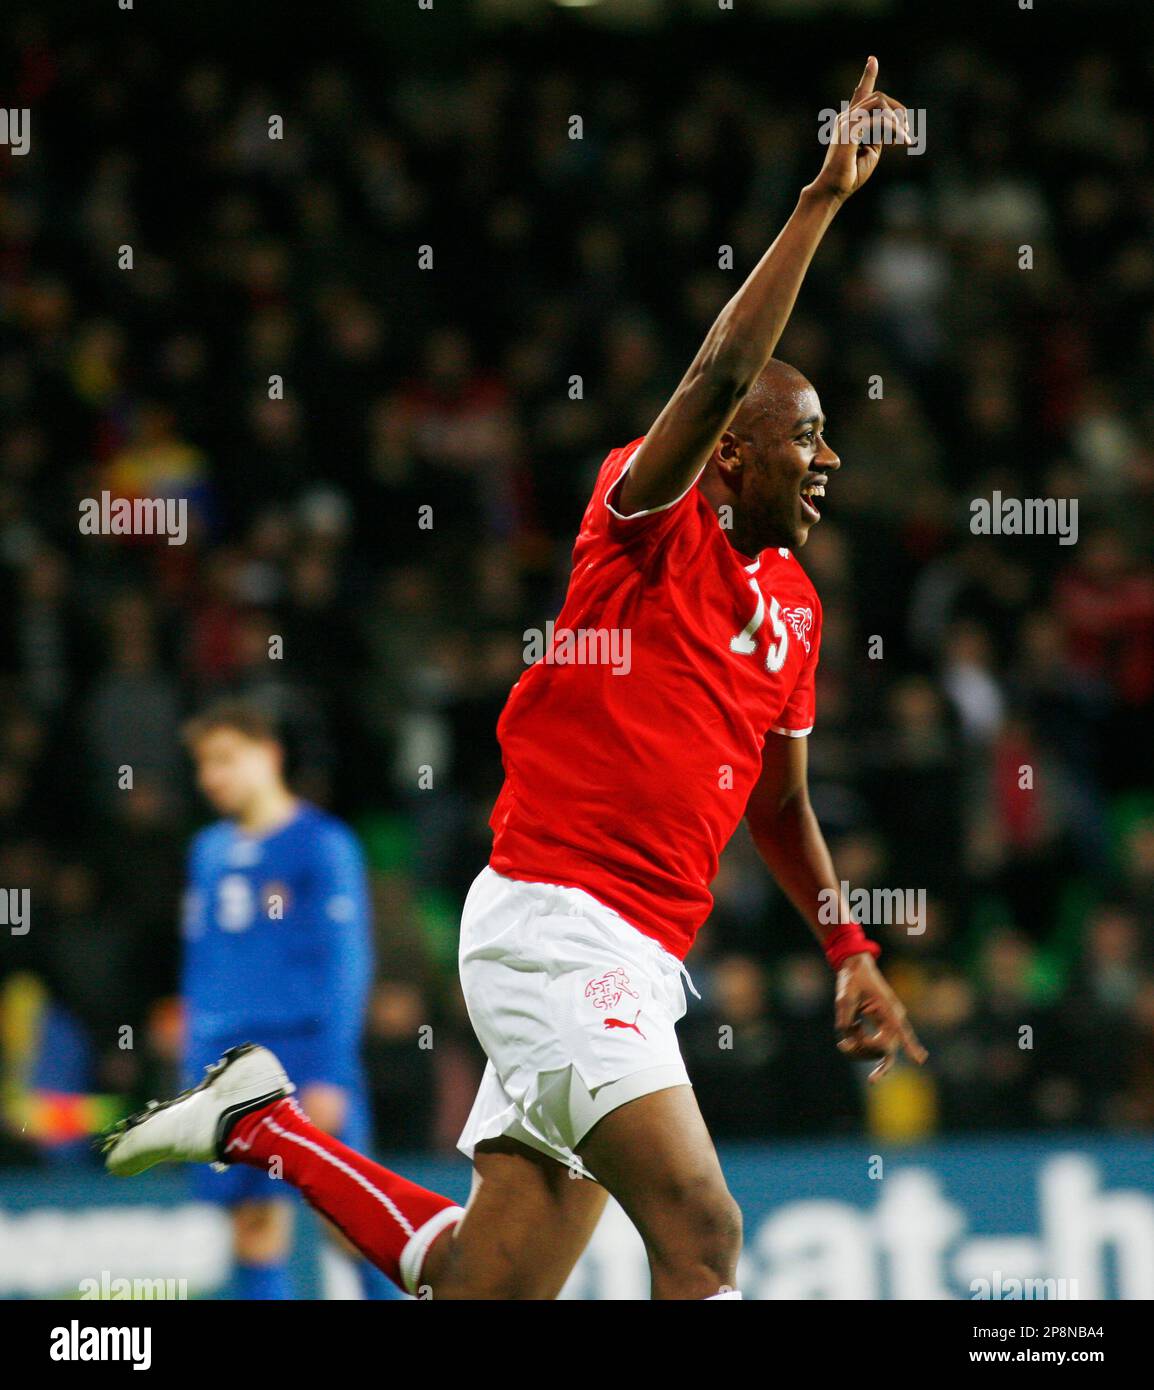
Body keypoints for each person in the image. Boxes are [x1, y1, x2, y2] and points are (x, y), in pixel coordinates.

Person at [103, 57, 926, 1301]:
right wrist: (816, 204)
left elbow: (779, 800)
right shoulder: (641, 520)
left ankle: (257, 1121)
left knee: (476, 1285)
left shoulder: (797, 612)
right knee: (700, 1231)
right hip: (559, 925)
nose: (829, 455)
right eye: (803, 434)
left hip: (644, 957)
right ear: (726, 456)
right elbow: (710, 375)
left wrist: (846, 945)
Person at [176, 700, 389, 1299]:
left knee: (349, 1221)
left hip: (300, 1054)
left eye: (225, 759)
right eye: (203, 764)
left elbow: (346, 963)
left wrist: (329, 1070)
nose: (211, 777)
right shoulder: (209, 852)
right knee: (251, 1228)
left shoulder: (322, 843)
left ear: (269, 755)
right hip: (225, 1063)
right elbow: (200, 966)